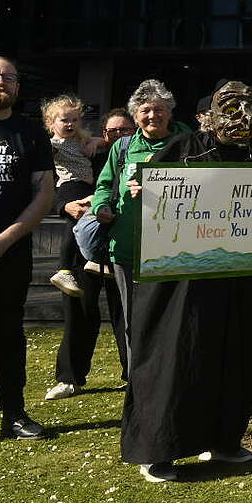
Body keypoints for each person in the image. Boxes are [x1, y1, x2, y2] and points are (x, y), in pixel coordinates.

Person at [120, 80, 252, 481]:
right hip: (181, 285)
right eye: (231, 106)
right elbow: (152, 193)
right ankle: (159, 449)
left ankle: (224, 440)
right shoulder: (185, 148)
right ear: (211, 113)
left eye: (249, 106)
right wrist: (144, 190)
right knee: (176, 357)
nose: (241, 115)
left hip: (239, 280)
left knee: (235, 355)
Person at [91, 80, 194, 375]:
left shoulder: (190, 143)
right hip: (127, 246)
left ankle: (170, 374)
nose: (153, 116)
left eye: (160, 110)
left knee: (171, 316)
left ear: (170, 113)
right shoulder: (123, 147)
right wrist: (101, 208)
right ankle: (138, 376)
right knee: (133, 318)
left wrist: (160, 189)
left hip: (175, 248)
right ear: (135, 116)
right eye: (146, 110)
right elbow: (104, 184)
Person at [46, 106, 131, 401]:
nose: (118, 135)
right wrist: (63, 206)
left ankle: (132, 374)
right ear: (103, 133)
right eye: (113, 131)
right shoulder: (86, 152)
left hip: (121, 245)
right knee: (79, 310)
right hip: (86, 247)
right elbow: (56, 184)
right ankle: (70, 377)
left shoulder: (132, 155)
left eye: (125, 130)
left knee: (125, 311)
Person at [0, 58, 56, 440]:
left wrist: (4, 239)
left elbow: (44, 193)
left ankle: (14, 414)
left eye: (8, 76)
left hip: (11, 251)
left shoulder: (31, 134)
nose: (0, 81)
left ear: (18, 86)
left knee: (7, 333)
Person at [43, 96, 101, 298]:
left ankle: (94, 257)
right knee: (74, 223)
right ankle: (64, 270)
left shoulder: (80, 139)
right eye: (64, 120)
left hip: (85, 187)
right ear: (51, 123)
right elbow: (43, 151)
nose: (70, 124)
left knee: (91, 219)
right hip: (70, 186)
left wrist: (95, 140)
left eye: (75, 120)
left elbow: (106, 141)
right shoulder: (54, 144)